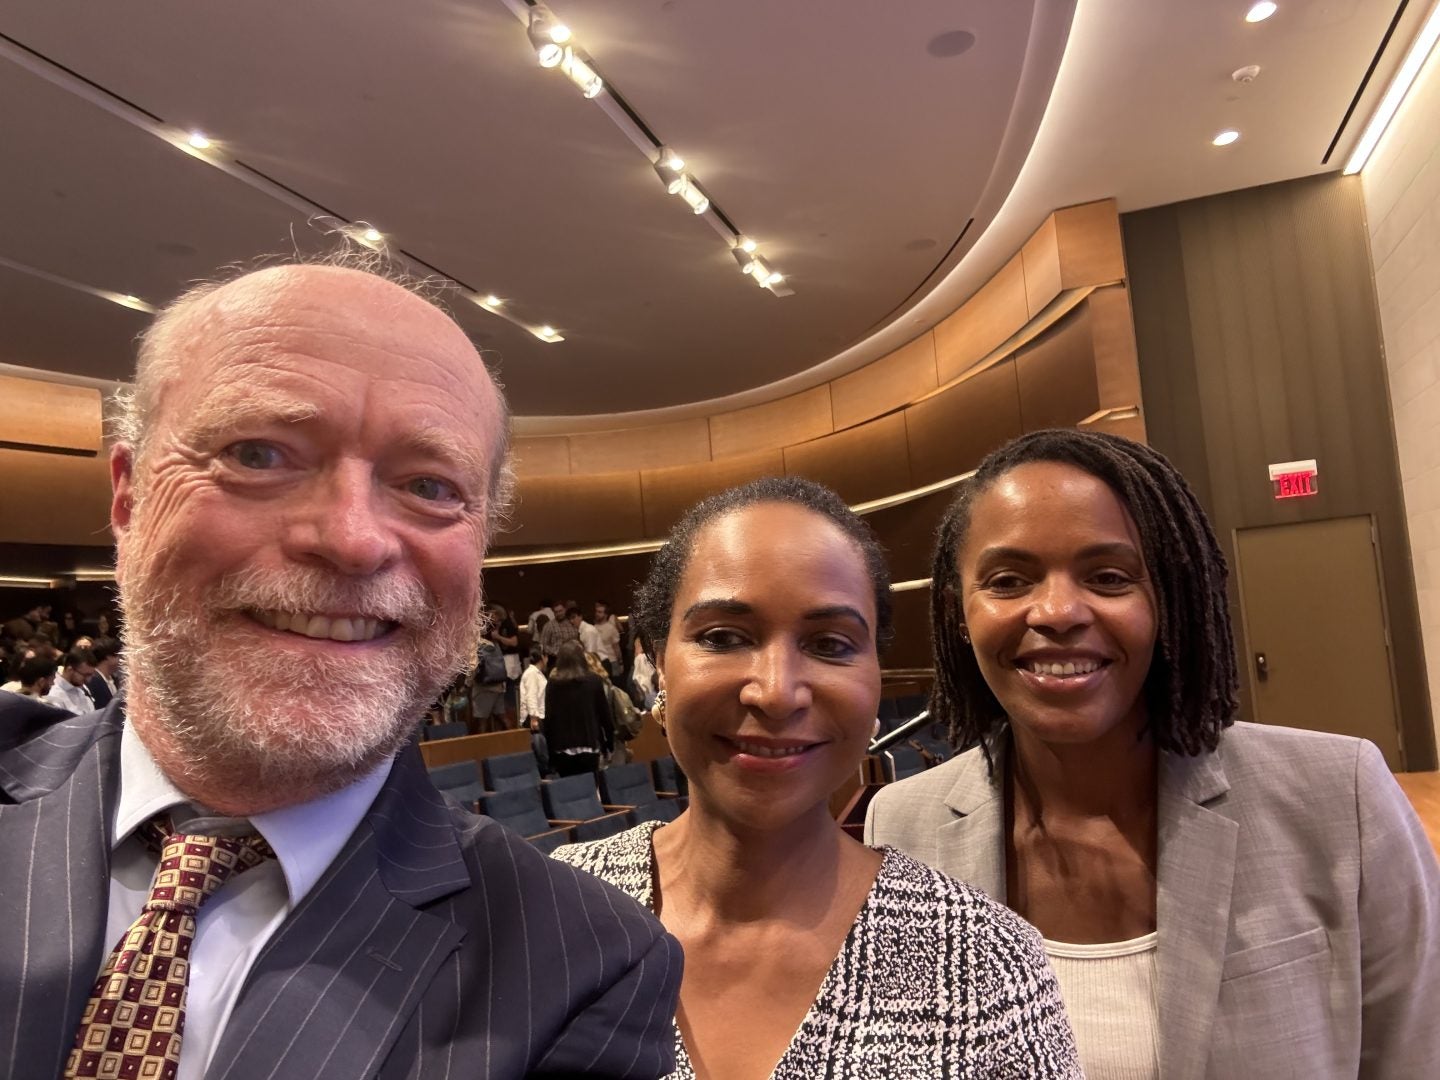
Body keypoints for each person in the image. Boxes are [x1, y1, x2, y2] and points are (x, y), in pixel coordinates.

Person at [0, 261, 681, 1080]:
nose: (353, 539)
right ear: (129, 496)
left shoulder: (586, 963)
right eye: (259, 453)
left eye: (429, 484)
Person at [866, 428, 1440, 1079]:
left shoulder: (1341, 799)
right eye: (1008, 580)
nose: (1056, 611)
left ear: (1169, 598)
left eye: (1109, 577)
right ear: (957, 614)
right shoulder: (903, 829)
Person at [554, 476, 1081, 1079]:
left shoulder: (986, 963)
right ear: (654, 662)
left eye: (830, 644)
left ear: (876, 673)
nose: (776, 693)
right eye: (724, 637)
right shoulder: (550, 914)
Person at [542, 640, 615, 777]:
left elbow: (549, 721)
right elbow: (605, 716)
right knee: (591, 790)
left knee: (571, 793)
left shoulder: (553, 684)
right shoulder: (594, 681)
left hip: (562, 749)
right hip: (589, 745)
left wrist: (551, 755)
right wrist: (610, 744)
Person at [42, 645, 97, 714]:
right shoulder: (53, 694)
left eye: (91, 675)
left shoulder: (82, 689)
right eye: (85, 675)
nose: (88, 680)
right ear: (70, 670)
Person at [86, 637, 123, 709]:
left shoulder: (114, 679)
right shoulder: (94, 682)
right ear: (108, 657)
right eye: (118, 656)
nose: (120, 660)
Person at [520, 645, 548, 731]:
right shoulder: (532, 673)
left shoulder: (536, 672)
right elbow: (531, 696)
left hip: (538, 715)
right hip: (534, 718)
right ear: (543, 657)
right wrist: (534, 719)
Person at [593, 601, 623, 681]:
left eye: (600, 612)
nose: (597, 614)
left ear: (605, 614)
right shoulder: (593, 628)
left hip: (611, 661)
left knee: (615, 685)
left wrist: (620, 663)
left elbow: (616, 647)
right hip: (598, 662)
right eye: (596, 611)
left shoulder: (611, 628)